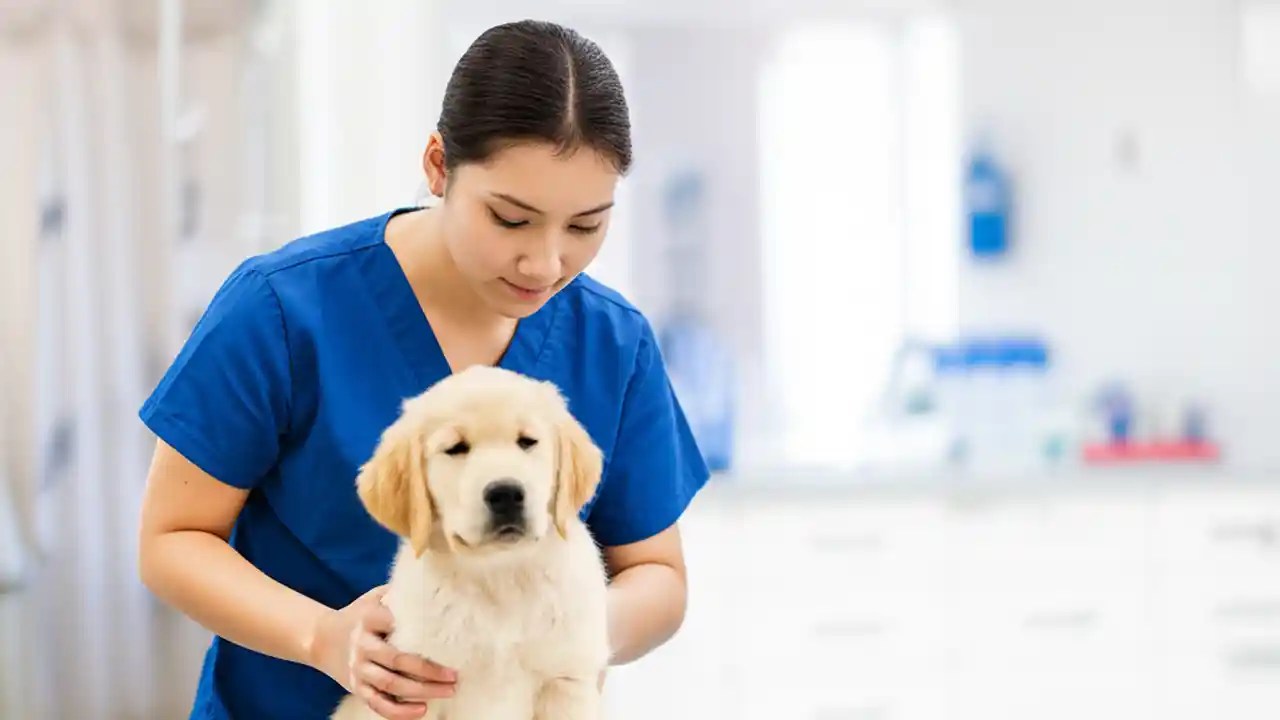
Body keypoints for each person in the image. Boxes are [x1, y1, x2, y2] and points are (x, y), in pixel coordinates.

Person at [136, 19, 709, 720]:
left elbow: (657, 574)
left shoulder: (610, 341)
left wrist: (568, 634)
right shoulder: (282, 310)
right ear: (439, 165)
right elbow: (171, 540)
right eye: (510, 218)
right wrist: (322, 636)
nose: (546, 263)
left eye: (585, 226)